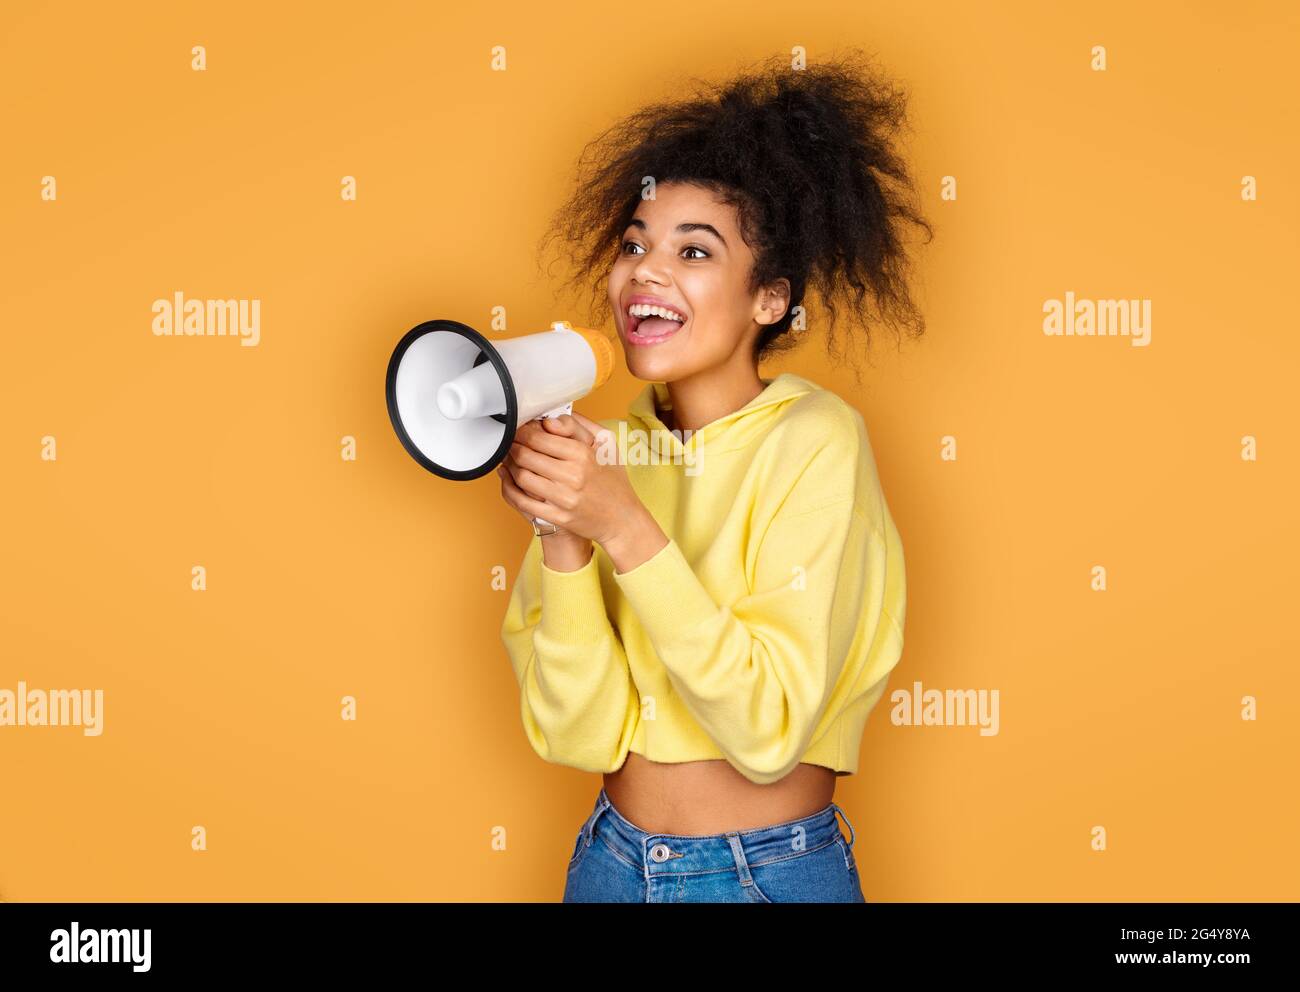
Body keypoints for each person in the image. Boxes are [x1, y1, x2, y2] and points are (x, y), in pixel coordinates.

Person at [498, 49, 931, 902]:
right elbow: (575, 735)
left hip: (764, 874)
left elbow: (766, 730)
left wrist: (621, 525)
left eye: (694, 252)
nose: (645, 271)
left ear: (770, 298)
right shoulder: (609, 452)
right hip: (609, 865)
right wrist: (564, 535)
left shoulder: (818, 441)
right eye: (634, 245)